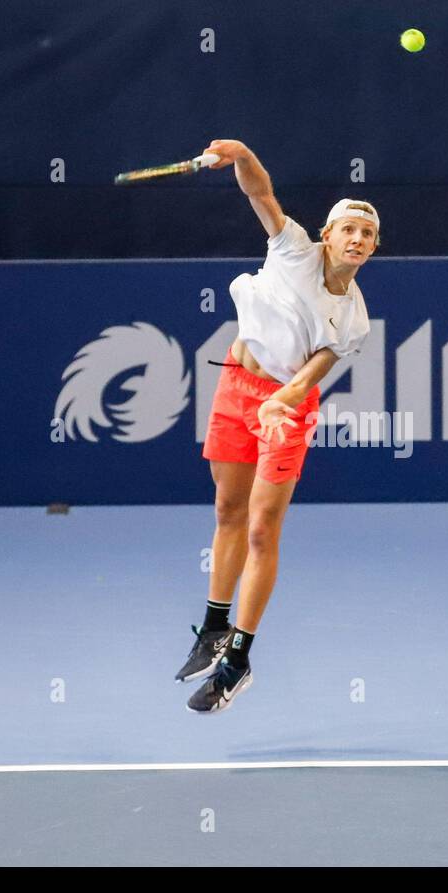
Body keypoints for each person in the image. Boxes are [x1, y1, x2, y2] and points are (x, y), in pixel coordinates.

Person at [176, 139, 380, 714]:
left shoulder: (354, 318)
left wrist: (279, 402)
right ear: (329, 233)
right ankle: (215, 625)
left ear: (373, 247)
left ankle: (237, 660)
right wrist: (241, 152)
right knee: (226, 511)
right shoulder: (292, 248)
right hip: (235, 382)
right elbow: (260, 191)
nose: (357, 241)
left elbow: (313, 373)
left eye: (367, 236)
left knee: (263, 530)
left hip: (285, 408)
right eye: (349, 231)